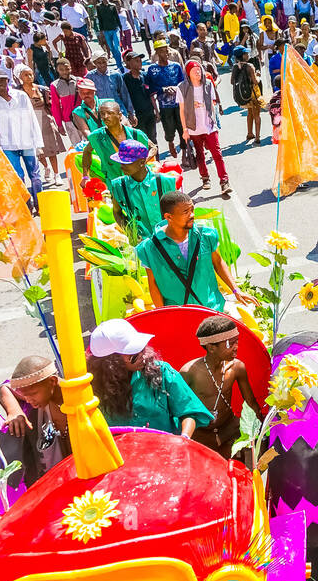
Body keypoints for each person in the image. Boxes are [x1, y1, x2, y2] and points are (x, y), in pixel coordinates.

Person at [85, 318, 212, 437]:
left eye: (142, 349)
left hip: (164, 452)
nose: (143, 356)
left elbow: (189, 412)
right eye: (134, 355)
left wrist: (183, 439)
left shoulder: (162, 372)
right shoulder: (90, 386)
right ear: (111, 363)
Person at [135, 191, 252, 313]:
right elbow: (153, 284)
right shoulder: (149, 248)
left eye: (192, 210)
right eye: (186, 212)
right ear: (168, 217)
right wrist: (163, 314)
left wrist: (236, 290)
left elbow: (218, 262)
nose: (192, 215)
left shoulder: (206, 235)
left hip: (212, 308)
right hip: (179, 315)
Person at [181, 314, 260, 460]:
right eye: (230, 344)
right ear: (211, 348)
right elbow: (179, 410)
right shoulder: (189, 373)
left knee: (238, 468)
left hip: (228, 428)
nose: (236, 348)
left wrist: (259, 434)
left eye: (236, 342)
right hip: (201, 435)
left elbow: (251, 404)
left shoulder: (237, 368)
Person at [0, 355, 69, 479]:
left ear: (52, 381)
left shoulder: (76, 398)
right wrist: (15, 411)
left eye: (33, 394)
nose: (29, 401)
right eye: (25, 396)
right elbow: (5, 388)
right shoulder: (38, 391)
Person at [0, 70, 44, 198]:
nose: (0, 83)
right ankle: (27, 204)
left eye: (2, 80)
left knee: (35, 175)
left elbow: (32, 118)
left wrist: (38, 144)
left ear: (8, 80)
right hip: (7, 144)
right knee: (17, 177)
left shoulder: (20, 95)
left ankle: (40, 204)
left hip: (26, 141)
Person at [177, 58, 227, 195]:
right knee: (200, 155)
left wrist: (214, 121)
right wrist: (185, 130)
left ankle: (224, 181)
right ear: (188, 73)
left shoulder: (208, 84)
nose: (198, 72)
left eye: (199, 69)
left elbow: (212, 103)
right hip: (194, 128)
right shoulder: (182, 88)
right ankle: (205, 178)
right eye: (194, 70)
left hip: (209, 126)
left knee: (217, 154)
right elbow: (181, 110)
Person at [109, 139, 176, 242]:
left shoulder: (165, 181)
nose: (122, 167)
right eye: (120, 162)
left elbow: (179, 210)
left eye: (126, 163)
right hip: (142, 245)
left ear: (141, 162)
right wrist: (131, 232)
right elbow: (117, 212)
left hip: (170, 240)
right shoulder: (118, 186)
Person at [82, 99, 152, 191]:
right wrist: (85, 177)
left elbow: (153, 147)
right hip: (115, 184)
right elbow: (87, 151)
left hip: (139, 181)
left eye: (109, 113)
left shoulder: (135, 134)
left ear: (119, 115)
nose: (105, 117)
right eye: (102, 114)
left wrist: (143, 162)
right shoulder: (97, 136)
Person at [145, 39, 184, 156]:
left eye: (166, 50)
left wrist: (176, 88)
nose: (165, 53)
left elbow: (183, 83)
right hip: (164, 105)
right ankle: (170, 142)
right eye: (161, 51)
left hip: (178, 103)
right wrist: (163, 89)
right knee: (169, 128)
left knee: (183, 128)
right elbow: (149, 88)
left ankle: (185, 153)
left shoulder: (176, 66)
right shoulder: (152, 70)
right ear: (157, 53)